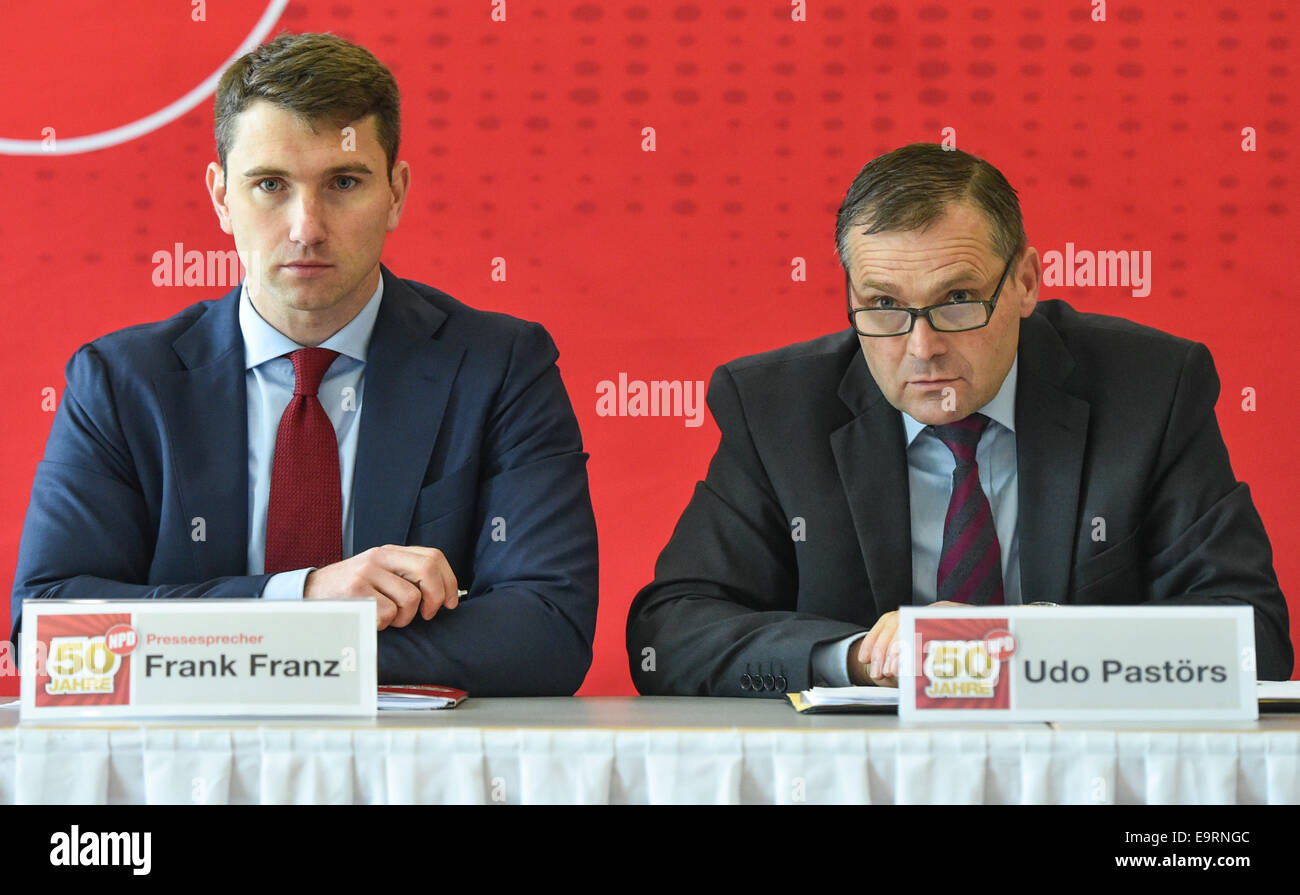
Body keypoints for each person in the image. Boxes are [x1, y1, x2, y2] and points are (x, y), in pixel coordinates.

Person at [10, 32, 598, 696]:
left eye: (343, 182)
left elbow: (546, 633)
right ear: (221, 197)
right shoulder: (121, 383)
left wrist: (252, 646)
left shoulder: (500, 369)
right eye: (270, 185)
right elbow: (50, 632)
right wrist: (304, 597)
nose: (306, 227)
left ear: (396, 192)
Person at [626, 142, 1293, 696]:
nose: (921, 347)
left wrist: (1031, 645)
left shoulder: (1150, 389)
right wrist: (860, 657)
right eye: (883, 304)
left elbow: (1251, 637)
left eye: (958, 299)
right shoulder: (775, 408)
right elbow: (671, 633)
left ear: (1027, 282)